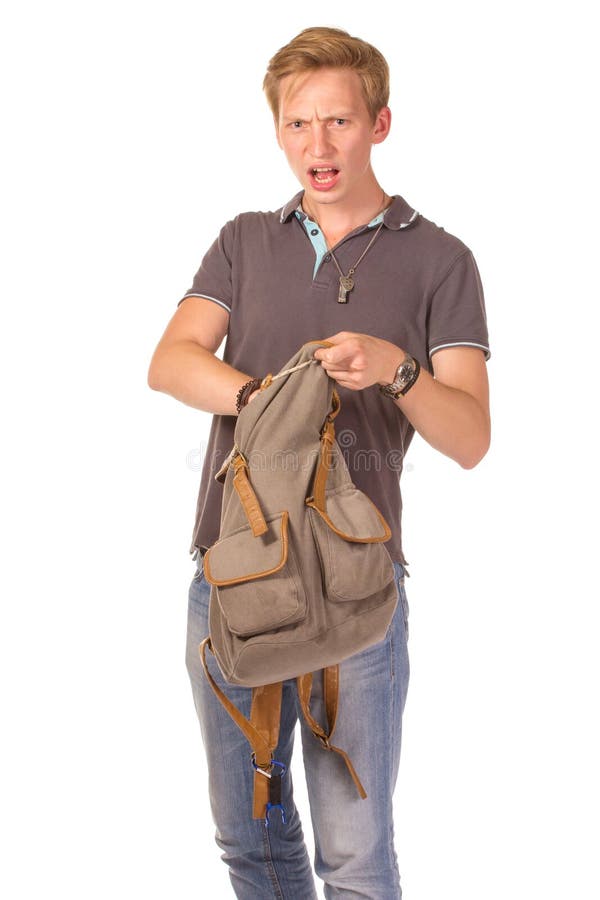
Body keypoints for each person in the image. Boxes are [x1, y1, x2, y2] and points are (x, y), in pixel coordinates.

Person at [148, 25, 491, 900]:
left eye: (337, 121)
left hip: (357, 588)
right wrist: (271, 399)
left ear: (379, 123)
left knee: (356, 858)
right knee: (248, 838)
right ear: (278, 132)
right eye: (297, 125)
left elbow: (471, 438)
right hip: (233, 578)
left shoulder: (440, 260)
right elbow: (172, 360)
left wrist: (395, 368)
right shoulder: (245, 238)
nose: (317, 145)